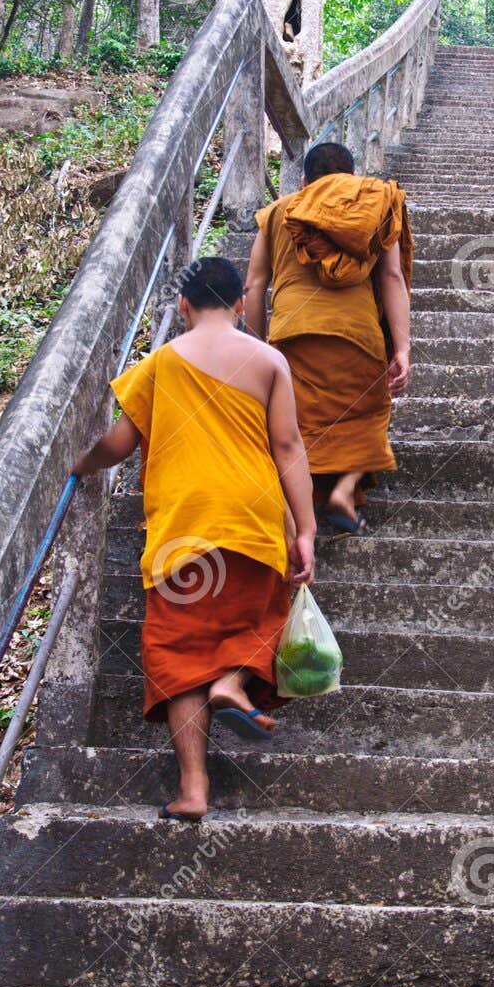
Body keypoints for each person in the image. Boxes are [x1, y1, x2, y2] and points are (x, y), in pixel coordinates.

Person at [72, 256, 315, 822]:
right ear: (238, 304)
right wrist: (304, 529)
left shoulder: (160, 363)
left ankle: (194, 789)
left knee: (179, 655)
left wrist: (79, 464)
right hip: (251, 516)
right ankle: (233, 681)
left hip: (182, 525)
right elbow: (288, 449)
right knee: (261, 617)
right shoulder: (269, 360)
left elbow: (118, 444)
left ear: (182, 306)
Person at [244, 141, 412, 534]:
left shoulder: (278, 212)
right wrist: (402, 347)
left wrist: (256, 345)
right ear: (352, 180)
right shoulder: (373, 209)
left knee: (294, 420)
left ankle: (290, 513)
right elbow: (391, 277)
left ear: (303, 181)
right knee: (367, 413)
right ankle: (345, 488)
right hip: (358, 335)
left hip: (292, 331)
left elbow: (254, 285)